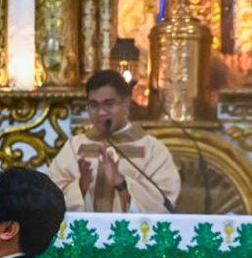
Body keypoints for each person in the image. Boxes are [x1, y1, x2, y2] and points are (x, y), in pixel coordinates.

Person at [47, 70, 181, 214]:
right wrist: (81, 185)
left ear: (126, 103)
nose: (101, 112)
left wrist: (121, 183)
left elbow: (164, 203)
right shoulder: (75, 147)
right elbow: (50, 198)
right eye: (94, 105)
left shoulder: (152, 149)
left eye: (108, 104)